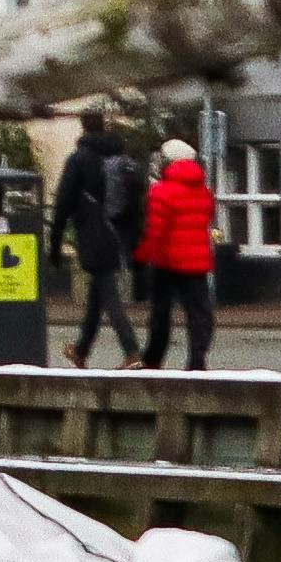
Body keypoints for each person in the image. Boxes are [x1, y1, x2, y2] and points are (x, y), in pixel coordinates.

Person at [51, 100, 156, 347]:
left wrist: (55, 246)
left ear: (83, 126)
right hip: (119, 231)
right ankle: (80, 350)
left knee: (109, 295)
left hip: (94, 234)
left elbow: (63, 203)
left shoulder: (79, 160)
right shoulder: (119, 157)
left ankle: (131, 351)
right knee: (98, 294)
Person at [137, 132, 225, 372]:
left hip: (166, 262)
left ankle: (153, 360)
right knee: (198, 313)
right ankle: (197, 359)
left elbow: (156, 231)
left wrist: (142, 257)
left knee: (161, 313)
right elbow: (204, 221)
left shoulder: (161, 192)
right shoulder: (205, 192)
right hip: (197, 261)